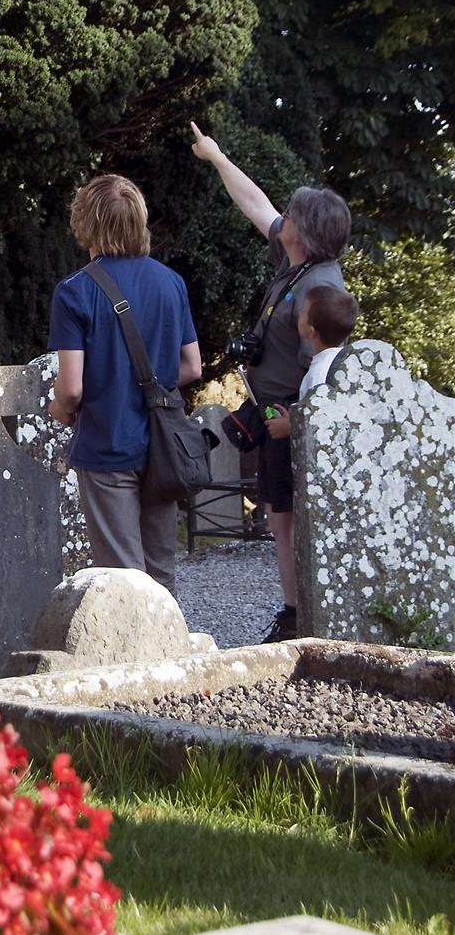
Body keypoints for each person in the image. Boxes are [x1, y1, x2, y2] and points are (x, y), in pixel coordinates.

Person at [189, 121, 352, 641]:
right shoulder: (297, 262)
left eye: (292, 214)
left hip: (287, 417)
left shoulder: (319, 288)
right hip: (273, 409)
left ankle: (297, 617)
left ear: (301, 232)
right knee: (280, 515)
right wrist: (216, 157)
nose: (281, 216)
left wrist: (295, 424)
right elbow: (255, 203)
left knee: (287, 520)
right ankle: (295, 610)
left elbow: (332, 375)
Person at [47, 174, 202, 595]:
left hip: (107, 444)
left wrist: (59, 411)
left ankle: (136, 660)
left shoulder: (74, 292)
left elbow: (72, 389)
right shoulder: (171, 282)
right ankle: (170, 656)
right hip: (164, 446)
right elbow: (192, 367)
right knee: (161, 574)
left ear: (87, 224)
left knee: (124, 582)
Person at [262, 285, 360, 438]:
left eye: (302, 313)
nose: (298, 314)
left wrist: (289, 427)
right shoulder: (344, 364)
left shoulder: (319, 374)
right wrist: (294, 418)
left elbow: (321, 424)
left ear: (311, 331)